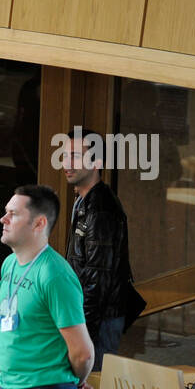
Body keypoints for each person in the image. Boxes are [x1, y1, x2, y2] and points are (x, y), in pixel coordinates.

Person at [0, 184, 95, 389]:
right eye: (5, 213)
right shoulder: (10, 264)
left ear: (39, 223)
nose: (3, 219)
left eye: (13, 214)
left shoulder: (54, 274)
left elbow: (83, 352)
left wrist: (73, 383)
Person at [61, 128, 135, 370]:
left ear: (97, 162)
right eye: (64, 155)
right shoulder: (84, 201)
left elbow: (96, 278)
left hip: (98, 320)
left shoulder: (100, 208)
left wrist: (81, 332)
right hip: (89, 317)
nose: (66, 163)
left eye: (75, 156)